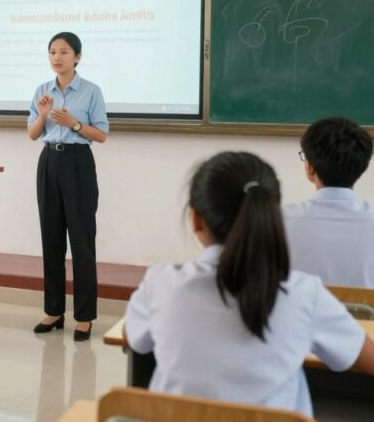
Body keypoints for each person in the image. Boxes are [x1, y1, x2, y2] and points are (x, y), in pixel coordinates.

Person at [124, 151, 374, 415]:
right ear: (271, 214)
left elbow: (135, 339)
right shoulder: (303, 293)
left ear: (196, 219)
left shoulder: (161, 283)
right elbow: (367, 359)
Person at [26, 31, 108, 341]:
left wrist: (73, 123)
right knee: (51, 239)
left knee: (82, 241)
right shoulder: (42, 91)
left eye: (63, 52)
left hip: (78, 163)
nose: (57, 57)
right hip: (49, 163)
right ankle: (53, 311)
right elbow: (33, 134)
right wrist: (44, 115)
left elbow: (100, 135)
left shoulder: (91, 91)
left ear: (77, 56)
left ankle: (84, 316)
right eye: (52, 52)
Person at [283, 116, 374, 287]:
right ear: (362, 167)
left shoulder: (277, 222)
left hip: (302, 313)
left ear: (309, 167)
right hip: (365, 314)